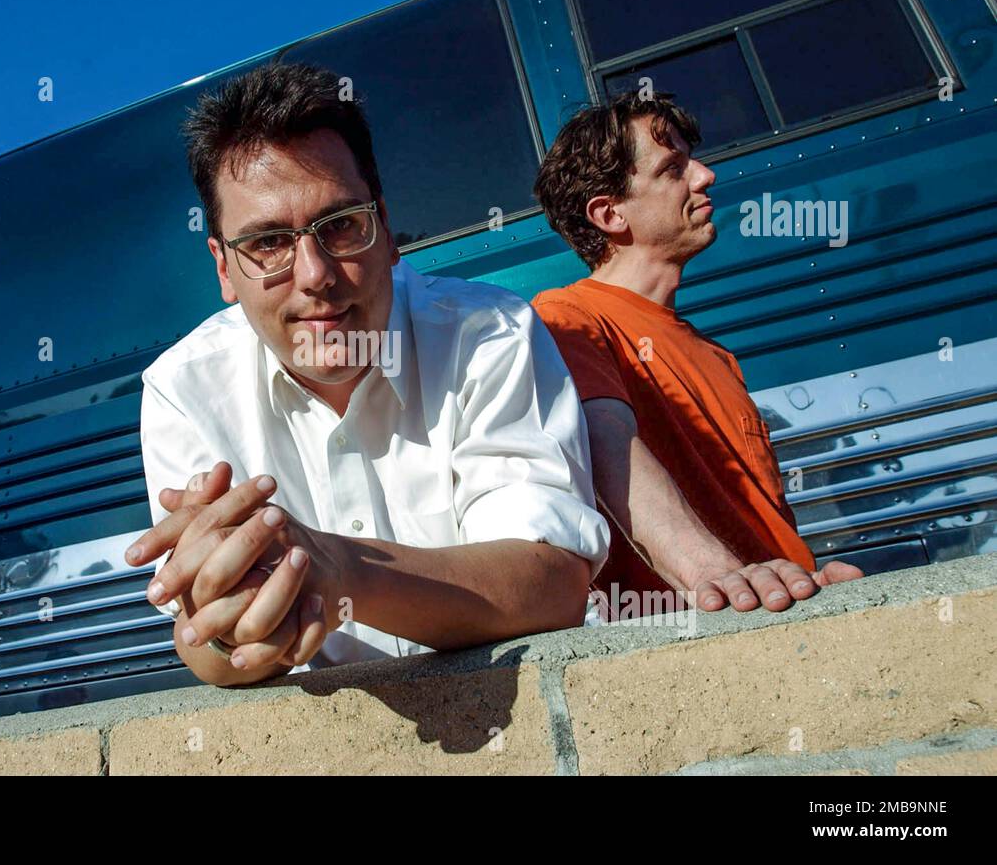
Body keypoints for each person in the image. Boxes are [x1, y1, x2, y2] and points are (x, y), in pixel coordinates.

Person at [124, 63, 609, 686]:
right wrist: (231, 618)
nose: (315, 274)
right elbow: (203, 645)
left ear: (385, 228)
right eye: (267, 242)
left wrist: (341, 571)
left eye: (341, 226)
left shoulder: (491, 334)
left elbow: (549, 583)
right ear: (223, 267)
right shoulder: (183, 390)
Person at [530, 92, 862, 617]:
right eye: (673, 169)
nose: (705, 177)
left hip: (776, 609)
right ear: (609, 212)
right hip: (706, 633)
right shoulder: (568, 317)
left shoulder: (716, 357)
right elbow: (606, 444)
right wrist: (717, 577)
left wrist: (806, 581)